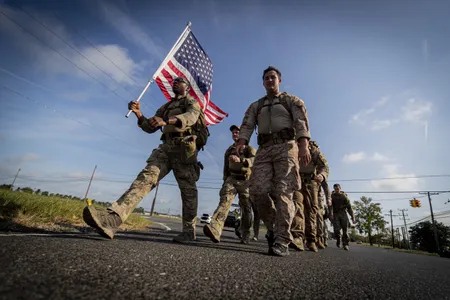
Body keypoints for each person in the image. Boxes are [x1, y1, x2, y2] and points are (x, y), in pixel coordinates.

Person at [83, 76, 204, 243]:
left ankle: (189, 232)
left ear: (187, 87)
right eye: (174, 80)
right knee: (145, 179)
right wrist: (138, 113)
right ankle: (113, 219)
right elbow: (149, 127)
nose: (175, 82)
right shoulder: (166, 107)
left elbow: (191, 117)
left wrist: (166, 120)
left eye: (180, 81)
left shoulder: (191, 102)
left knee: (188, 192)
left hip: (184, 149)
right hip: (166, 148)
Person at [236, 66, 311, 257]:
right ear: (263, 82)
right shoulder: (256, 106)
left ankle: (282, 240)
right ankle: (273, 228)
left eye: (273, 77)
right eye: (266, 78)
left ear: (279, 80)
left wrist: (304, 145)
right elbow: (247, 125)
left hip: (286, 148)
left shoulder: (291, 101)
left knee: (284, 192)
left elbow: (301, 122)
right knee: (257, 191)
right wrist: (242, 141)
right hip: (264, 150)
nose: (270, 80)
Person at [203, 125, 256, 244]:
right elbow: (225, 168)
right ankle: (215, 229)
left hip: (246, 181)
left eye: (237, 132)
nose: (235, 134)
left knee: (246, 208)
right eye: (233, 133)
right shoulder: (229, 150)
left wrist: (242, 160)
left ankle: (245, 233)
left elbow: (254, 161)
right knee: (224, 201)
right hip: (231, 179)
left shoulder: (249, 149)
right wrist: (224, 180)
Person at [290, 140, 329, 252]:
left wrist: (321, 175)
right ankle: (298, 237)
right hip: (297, 181)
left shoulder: (314, 151)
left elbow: (324, 166)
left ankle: (311, 239)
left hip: (312, 182)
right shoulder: (291, 147)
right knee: (297, 206)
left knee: (311, 211)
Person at [330, 183, 356, 250]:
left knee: (345, 230)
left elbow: (349, 208)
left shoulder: (344, 196)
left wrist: (353, 217)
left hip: (343, 213)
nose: (337, 190)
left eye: (338, 189)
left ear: (340, 188)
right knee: (336, 230)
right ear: (334, 189)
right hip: (335, 214)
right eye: (335, 189)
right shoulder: (332, 196)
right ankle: (338, 239)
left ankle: (345, 244)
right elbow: (330, 207)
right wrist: (331, 214)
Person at [317, 180, 332, 248]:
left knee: (324, 228)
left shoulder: (324, 205)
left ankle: (323, 239)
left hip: (323, 218)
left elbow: (327, 212)